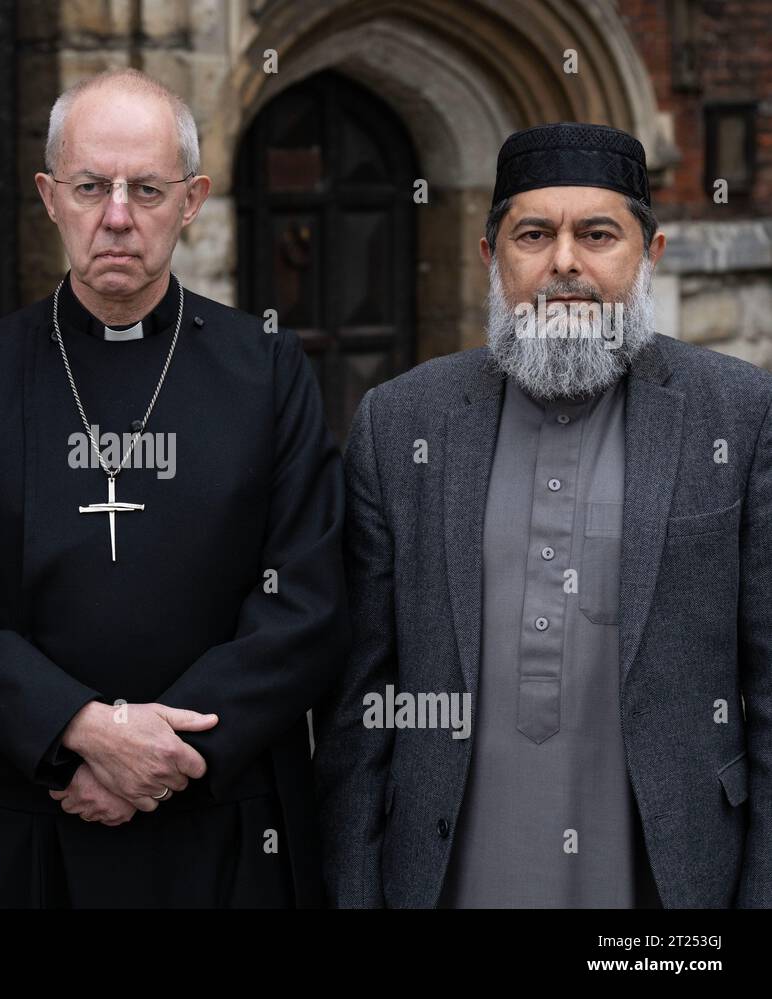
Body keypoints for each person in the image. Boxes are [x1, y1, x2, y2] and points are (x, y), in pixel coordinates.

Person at [0, 68, 347, 907]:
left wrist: (161, 761)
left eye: (147, 189)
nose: (116, 217)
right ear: (49, 195)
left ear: (193, 199)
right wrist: (79, 732)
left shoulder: (267, 370)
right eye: (91, 186)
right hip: (29, 818)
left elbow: (308, 603)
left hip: (224, 815)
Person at [316, 122, 770, 908]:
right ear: (492, 258)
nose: (565, 263)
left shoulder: (740, 413)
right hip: (446, 879)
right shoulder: (401, 423)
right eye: (534, 234)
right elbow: (361, 706)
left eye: (597, 234)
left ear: (649, 255)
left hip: (670, 890)